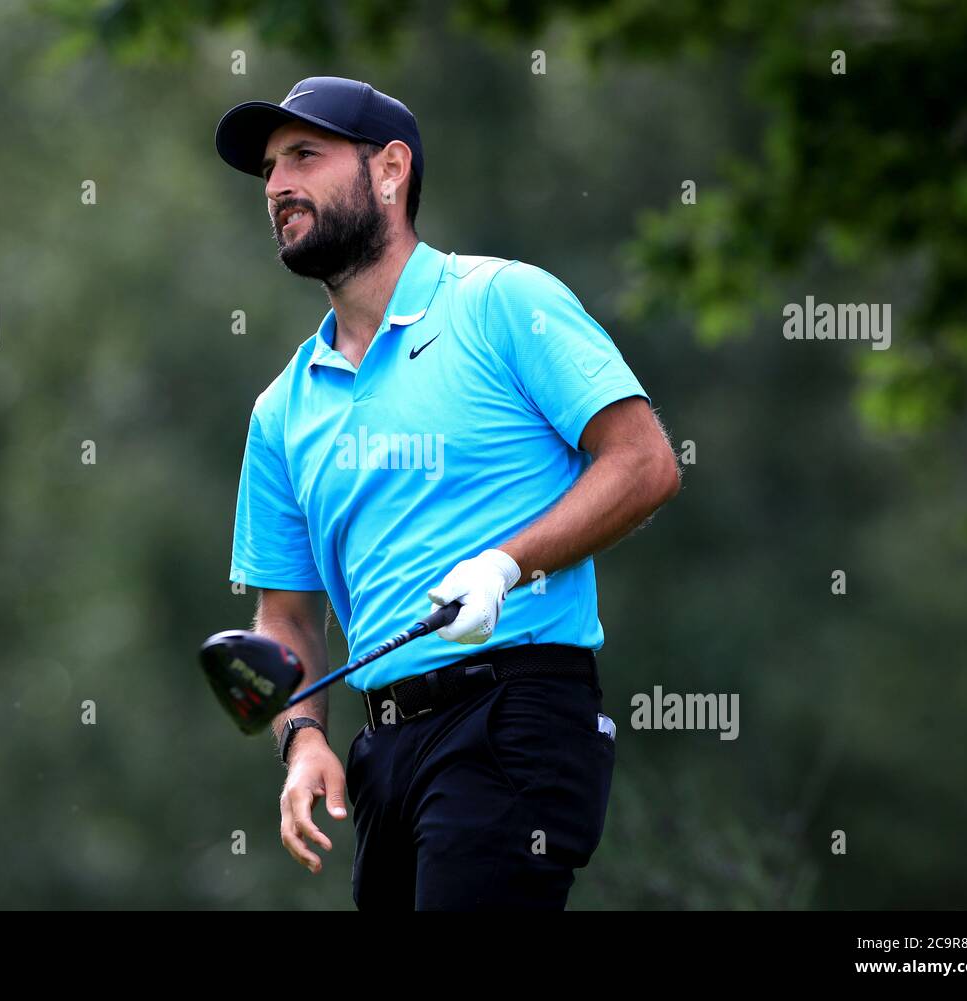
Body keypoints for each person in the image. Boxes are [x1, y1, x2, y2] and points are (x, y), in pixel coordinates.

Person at [214, 76, 680, 910]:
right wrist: (303, 738)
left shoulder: (501, 302)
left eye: (306, 156)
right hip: (384, 753)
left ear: (390, 169)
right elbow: (286, 618)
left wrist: (506, 563)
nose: (279, 184)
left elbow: (644, 462)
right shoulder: (281, 408)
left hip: (514, 716)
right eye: (270, 169)